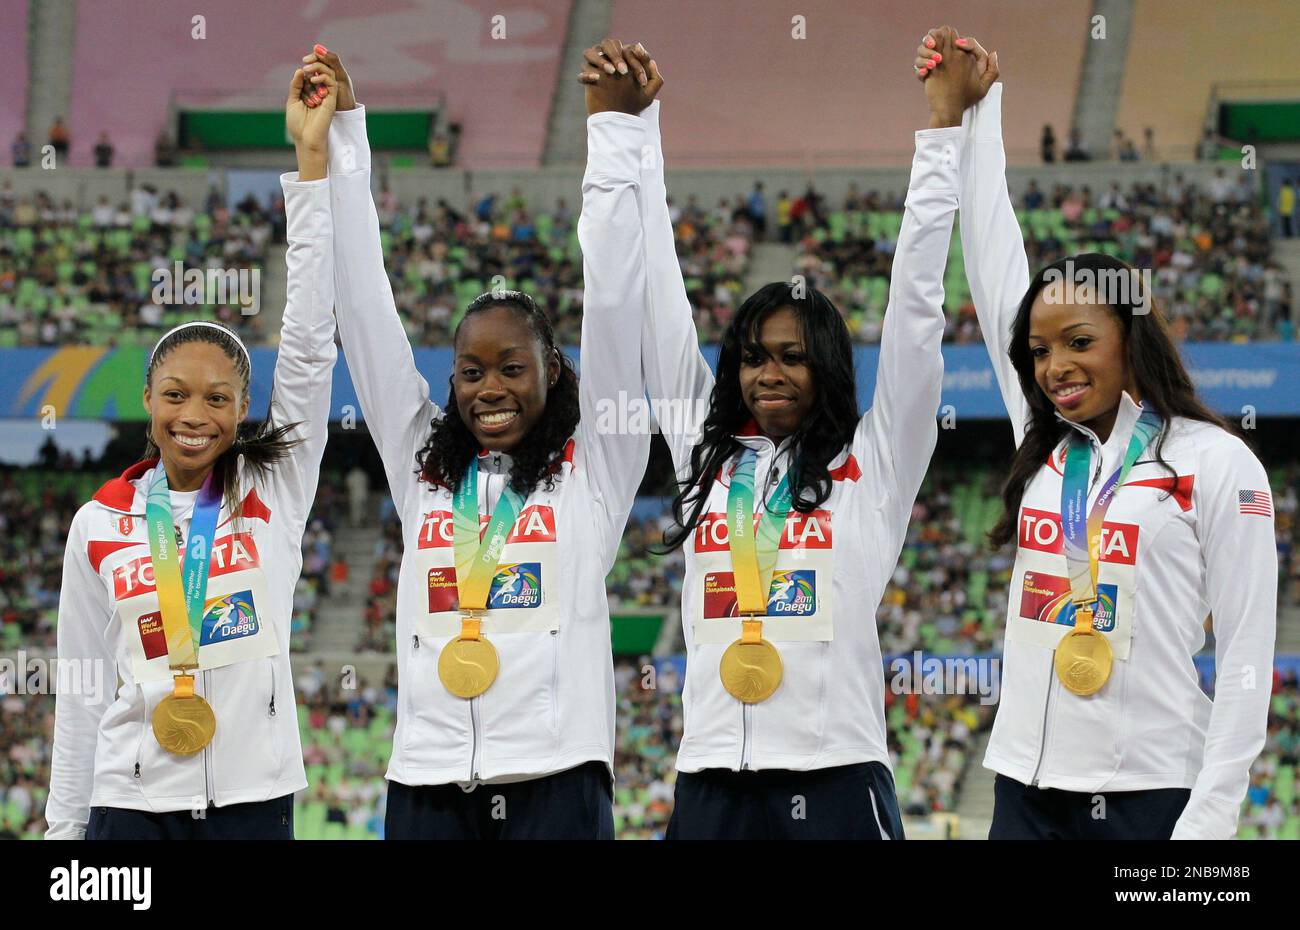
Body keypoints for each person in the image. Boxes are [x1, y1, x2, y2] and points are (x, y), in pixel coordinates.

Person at [587, 27, 973, 840]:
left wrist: (943, 134)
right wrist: (636, 132)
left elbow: (914, 313)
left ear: (827, 366)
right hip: (710, 783)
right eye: (755, 357)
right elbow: (660, 300)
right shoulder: (703, 448)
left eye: (794, 357)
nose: (769, 373)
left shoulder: (876, 457)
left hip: (837, 782)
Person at [930, 32, 1277, 840]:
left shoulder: (1216, 463)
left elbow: (1249, 655)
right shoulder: (1043, 443)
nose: (1055, 368)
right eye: (1040, 350)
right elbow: (993, 265)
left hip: (1153, 799)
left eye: (1079, 342)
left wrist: (1211, 817)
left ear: (1130, 337)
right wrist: (980, 117)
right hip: (1021, 789)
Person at [306, 41, 656, 839]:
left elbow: (613, 306)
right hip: (425, 783)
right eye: (469, 372)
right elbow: (362, 309)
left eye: (511, 368)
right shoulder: (422, 466)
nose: (489, 389)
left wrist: (612, 134)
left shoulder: (594, 466)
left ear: (553, 370)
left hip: (557, 782)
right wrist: (348, 132)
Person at [44, 62, 342, 839]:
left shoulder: (274, 489)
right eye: (175, 394)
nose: (194, 415)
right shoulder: (99, 524)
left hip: (252, 804)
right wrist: (64, 837)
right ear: (148, 402)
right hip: (130, 807)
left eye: (218, 398)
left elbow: (309, 348)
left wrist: (311, 167)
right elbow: (78, 688)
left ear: (245, 408)